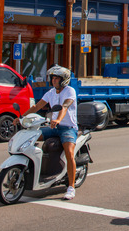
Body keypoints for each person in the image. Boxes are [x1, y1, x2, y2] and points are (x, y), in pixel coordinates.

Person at [16, 65, 79, 200]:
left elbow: (65, 106)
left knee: (69, 153)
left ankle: (71, 187)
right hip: (53, 127)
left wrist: (57, 119)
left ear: (64, 80)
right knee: (31, 137)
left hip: (68, 128)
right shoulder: (50, 93)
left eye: (56, 78)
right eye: (53, 78)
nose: (54, 81)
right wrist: (21, 118)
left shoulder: (70, 91)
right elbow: (37, 106)